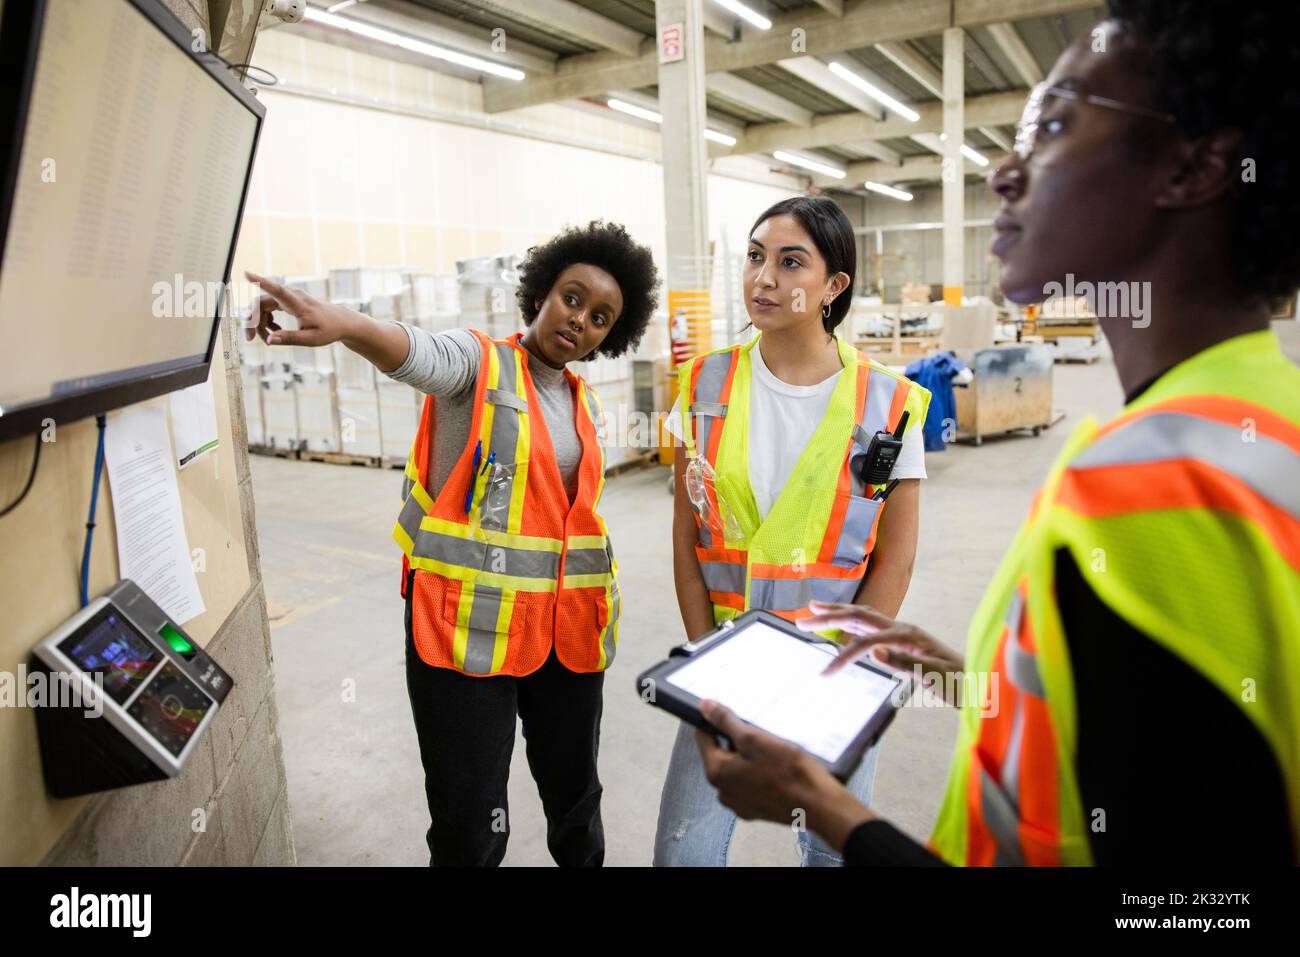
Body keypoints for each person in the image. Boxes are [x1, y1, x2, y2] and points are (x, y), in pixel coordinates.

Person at [695, 0, 1300, 866]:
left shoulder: (1152, 487)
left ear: (1196, 167)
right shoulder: (1259, 423)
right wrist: (965, 668)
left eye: (1052, 124)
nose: (1004, 173)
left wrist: (820, 806)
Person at [245, 220, 660, 866]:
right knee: (472, 828)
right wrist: (349, 325)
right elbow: (414, 351)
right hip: (465, 636)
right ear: (543, 291)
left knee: (577, 806)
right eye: (572, 298)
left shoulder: (586, 404)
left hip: (568, 638)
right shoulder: (478, 365)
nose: (581, 320)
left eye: (602, 316)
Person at [653, 197, 931, 866]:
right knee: (681, 856)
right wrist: (703, 659)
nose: (764, 278)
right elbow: (688, 540)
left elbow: (895, 557)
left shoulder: (888, 403)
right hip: (723, 676)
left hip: (834, 676)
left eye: (790, 262)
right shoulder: (702, 383)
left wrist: (834, 674)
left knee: (837, 855)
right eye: (755, 257)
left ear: (834, 286)